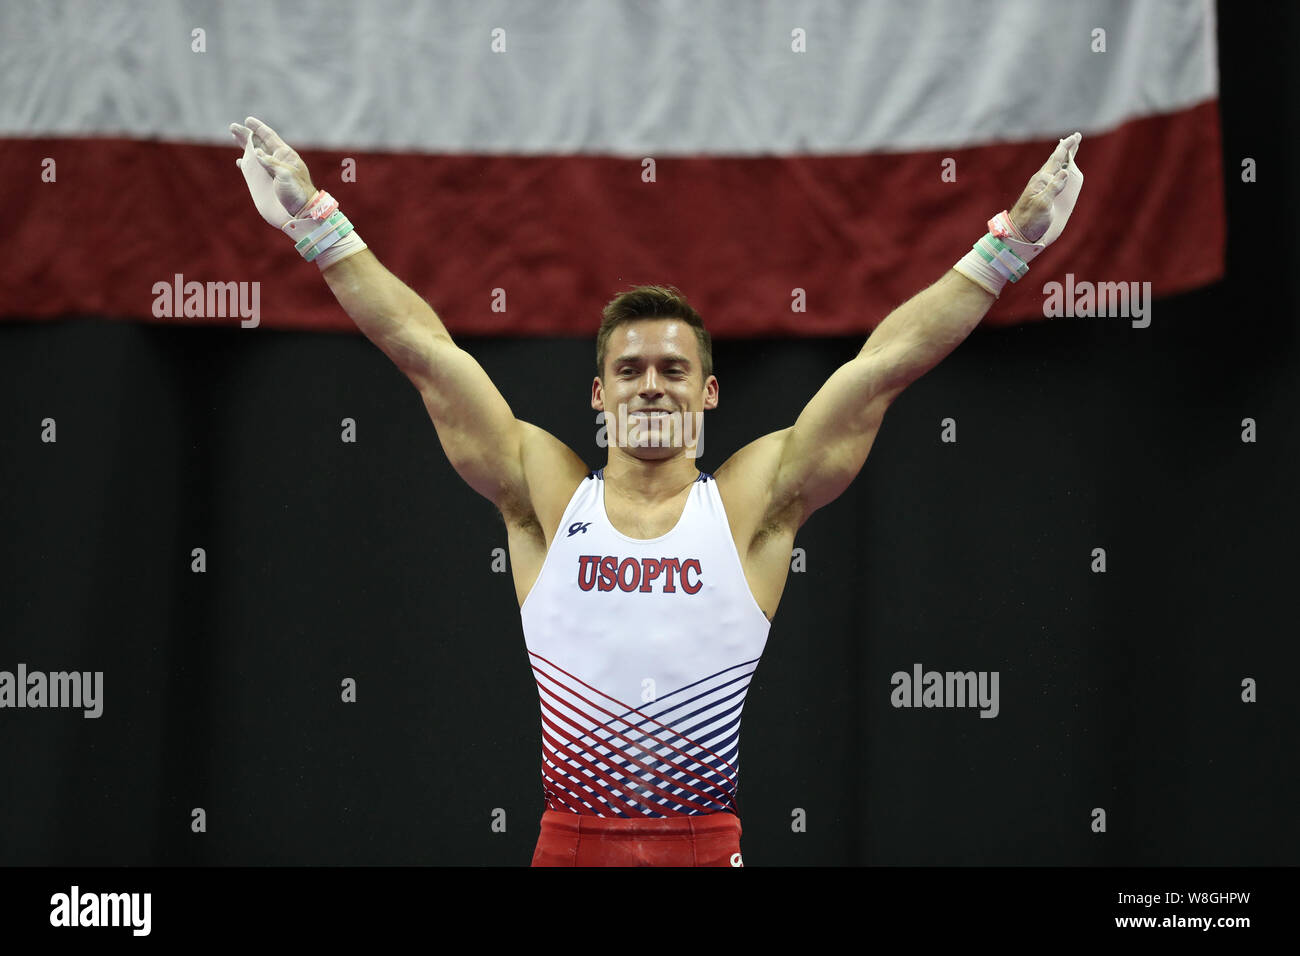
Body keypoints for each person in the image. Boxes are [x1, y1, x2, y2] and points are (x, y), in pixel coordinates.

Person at [229, 116, 1083, 866]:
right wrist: (317, 221)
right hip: (567, 845)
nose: (651, 386)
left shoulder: (752, 507)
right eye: (628, 370)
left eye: (675, 370)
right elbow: (426, 352)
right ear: (597, 395)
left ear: (710, 393)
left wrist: (1009, 245)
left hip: (704, 847)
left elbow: (882, 369)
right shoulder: (547, 496)